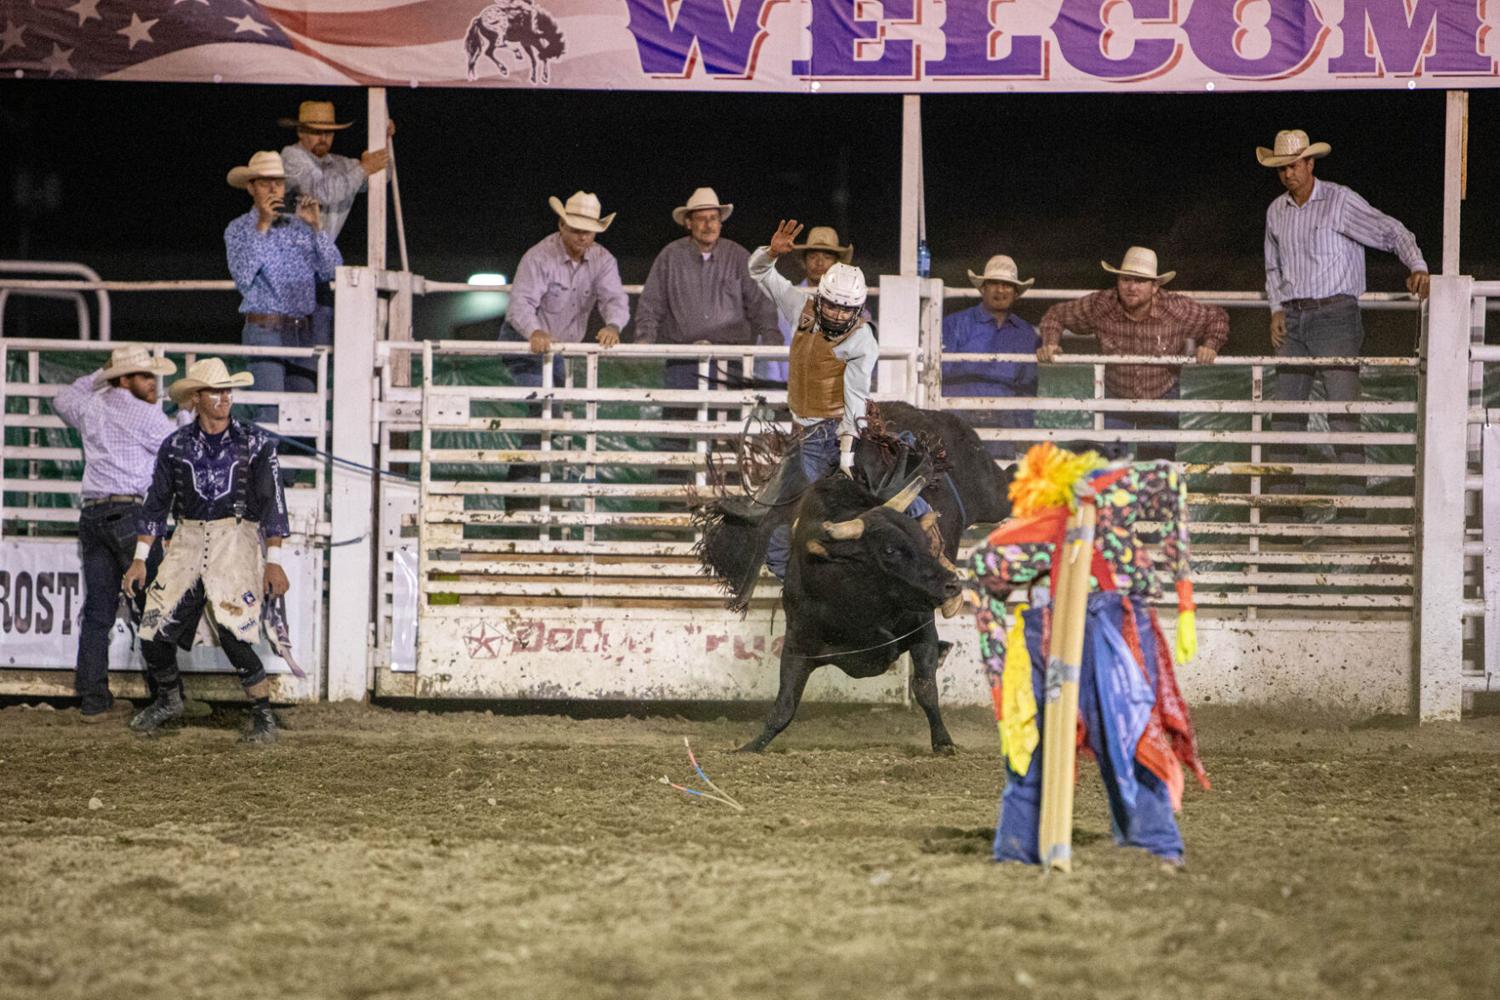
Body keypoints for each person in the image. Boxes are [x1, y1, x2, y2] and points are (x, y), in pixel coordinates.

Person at [750, 219, 952, 614]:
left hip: (838, 429)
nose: (838, 314)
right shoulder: (801, 307)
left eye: (846, 309)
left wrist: (845, 453)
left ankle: (929, 534)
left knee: (874, 491)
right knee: (773, 519)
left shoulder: (861, 338)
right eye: (832, 305)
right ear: (820, 298)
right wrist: (771, 253)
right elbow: (760, 272)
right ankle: (811, 596)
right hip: (804, 433)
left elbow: (854, 398)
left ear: (856, 308)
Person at [124, 359, 292, 744]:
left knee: (234, 633)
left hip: (235, 539)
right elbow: (156, 504)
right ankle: (170, 699)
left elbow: (273, 504)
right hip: (187, 540)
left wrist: (275, 561)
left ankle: (263, 714)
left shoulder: (256, 444)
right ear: (197, 398)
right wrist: (139, 558)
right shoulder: (175, 446)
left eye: (227, 390)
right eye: (216, 391)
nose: (224, 397)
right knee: (153, 629)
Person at [1259, 129, 1430, 488]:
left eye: (1293, 166)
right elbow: (1273, 267)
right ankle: (1284, 509)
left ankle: (1351, 507)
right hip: (1292, 317)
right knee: (1286, 415)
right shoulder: (1276, 211)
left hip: (1335, 315)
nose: (1287, 174)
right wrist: (1276, 308)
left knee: (1342, 412)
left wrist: (1417, 265)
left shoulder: (1339, 200)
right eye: (1281, 168)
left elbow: (1389, 230)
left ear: (1309, 164)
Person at [51, 345, 177, 722]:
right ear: (125, 380)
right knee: (153, 604)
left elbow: (61, 398)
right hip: (131, 517)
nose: (153, 383)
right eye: (145, 376)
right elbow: (176, 448)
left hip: (93, 515)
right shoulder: (145, 414)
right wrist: (187, 412)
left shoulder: (91, 406)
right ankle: (167, 695)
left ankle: (94, 699)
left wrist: (99, 376)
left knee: (98, 610)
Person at [1037, 247, 1228, 463]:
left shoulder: (1176, 309)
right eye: (1126, 279)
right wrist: (1050, 343)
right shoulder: (1101, 305)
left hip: (1161, 393)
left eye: (1140, 281)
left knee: (1158, 465)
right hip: (1117, 394)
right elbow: (1055, 315)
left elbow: (1217, 317)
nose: (1131, 287)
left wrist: (1210, 345)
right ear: (1118, 281)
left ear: (1155, 286)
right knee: (1112, 464)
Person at [499, 191, 631, 502]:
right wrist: (534, 331)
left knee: (549, 410)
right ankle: (524, 486)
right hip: (524, 342)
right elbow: (521, 305)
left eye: (589, 231)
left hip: (557, 349)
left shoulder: (603, 260)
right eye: (577, 229)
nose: (583, 236)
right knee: (547, 407)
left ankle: (525, 483)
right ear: (562, 225)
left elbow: (614, 299)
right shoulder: (539, 257)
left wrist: (613, 325)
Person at [224, 150, 342, 425]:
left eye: (278, 182)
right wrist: (263, 225)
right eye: (265, 182)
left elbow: (333, 270)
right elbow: (242, 276)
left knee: (302, 418)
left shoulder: (300, 227)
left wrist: (317, 228)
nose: (273, 188)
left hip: (303, 331)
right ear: (251, 187)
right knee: (270, 414)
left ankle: (285, 457)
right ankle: (263, 456)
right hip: (265, 329)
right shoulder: (238, 229)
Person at [635, 187, 780, 411]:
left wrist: (771, 338)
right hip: (683, 359)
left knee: (729, 421)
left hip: (730, 358)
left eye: (713, 218)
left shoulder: (739, 256)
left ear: (720, 222)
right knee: (679, 420)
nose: (708, 225)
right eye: (701, 219)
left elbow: (761, 304)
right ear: (688, 223)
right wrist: (644, 340)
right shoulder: (670, 256)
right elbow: (651, 304)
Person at [278, 100, 395, 346]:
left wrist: (384, 144)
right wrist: (364, 167)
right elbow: (323, 192)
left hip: (319, 267)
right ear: (300, 132)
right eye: (316, 132)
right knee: (289, 345)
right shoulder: (291, 157)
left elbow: (382, 176)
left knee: (318, 347)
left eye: (328, 132)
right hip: (287, 268)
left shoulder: (340, 164)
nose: (323, 138)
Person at [942, 255, 1040, 460]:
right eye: (994, 283)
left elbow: (1027, 386)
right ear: (983, 288)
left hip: (1004, 420)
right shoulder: (955, 325)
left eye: (1007, 285)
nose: (1000, 290)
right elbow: (939, 375)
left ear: (1015, 292)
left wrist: (1024, 432)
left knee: (999, 472)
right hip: (960, 417)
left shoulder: (1025, 333)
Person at [755, 226, 856, 386]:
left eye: (827, 257)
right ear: (805, 261)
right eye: (813, 256)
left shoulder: (851, 304)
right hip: (789, 388)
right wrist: (776, 389)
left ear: (836, 264)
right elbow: (769, 351)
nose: (819, 263)